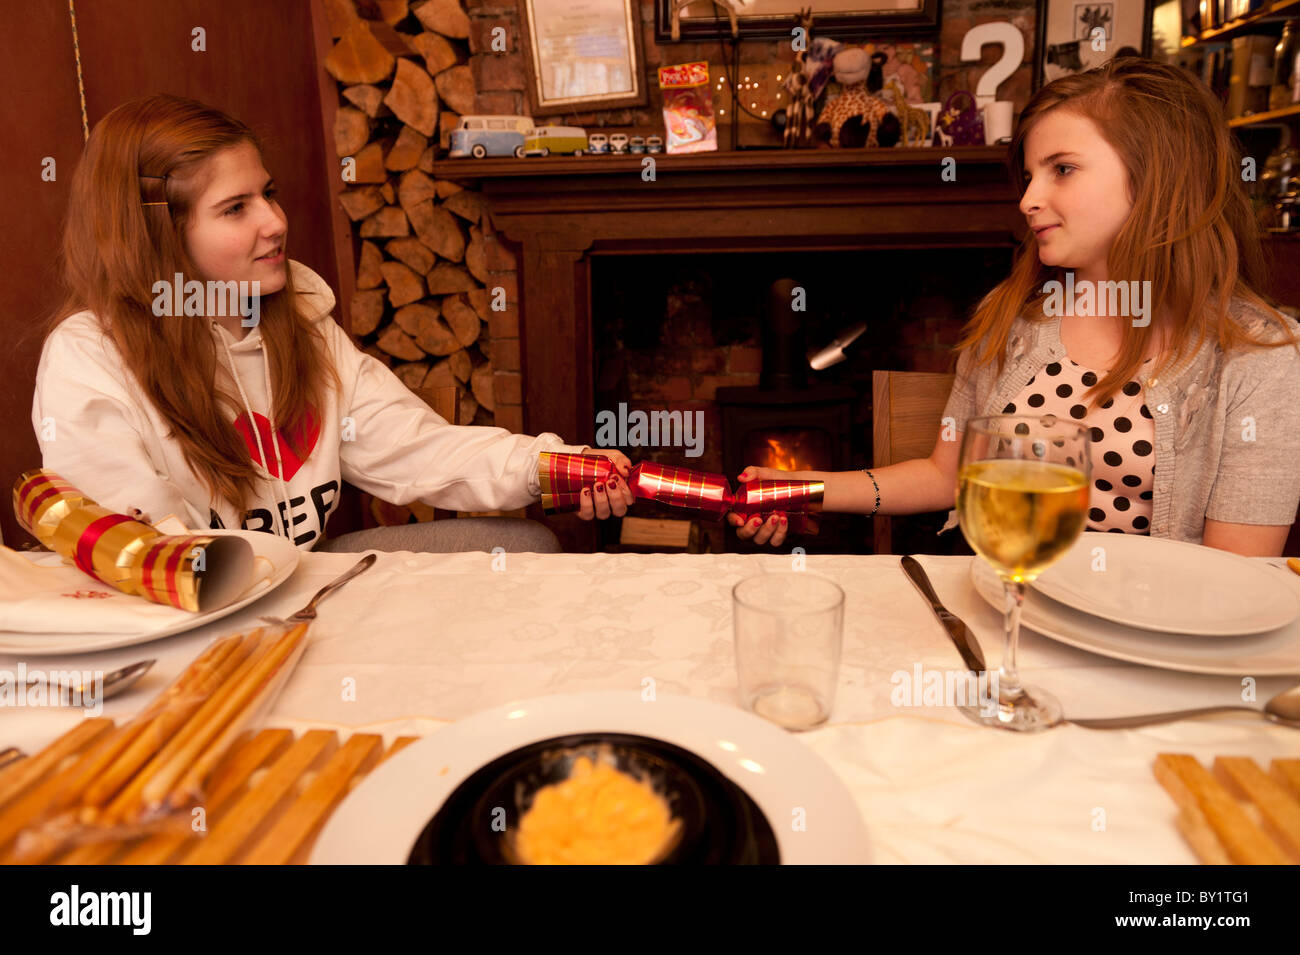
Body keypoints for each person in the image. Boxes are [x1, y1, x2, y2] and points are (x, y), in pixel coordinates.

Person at [734, 58, 1300, 557]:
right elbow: (945, 476)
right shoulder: (1014, 323)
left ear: (1158, 175)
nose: (1029, 200)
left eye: (1063, 168)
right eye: (1029, 176)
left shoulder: (1260, 356)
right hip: (1011, 610)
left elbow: (1234, 578)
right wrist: (802, 488)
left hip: (1155, 650)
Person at [32, 95, 634, 553]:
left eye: (268, 194)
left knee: (525, 545)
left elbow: (416, 449)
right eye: (236, 208)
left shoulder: (300, 322)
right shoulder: (89, 360)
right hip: (194, 627)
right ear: (156, 236)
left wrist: (551, 466)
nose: (275, 222)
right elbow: (150, 556)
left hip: (304, 592)